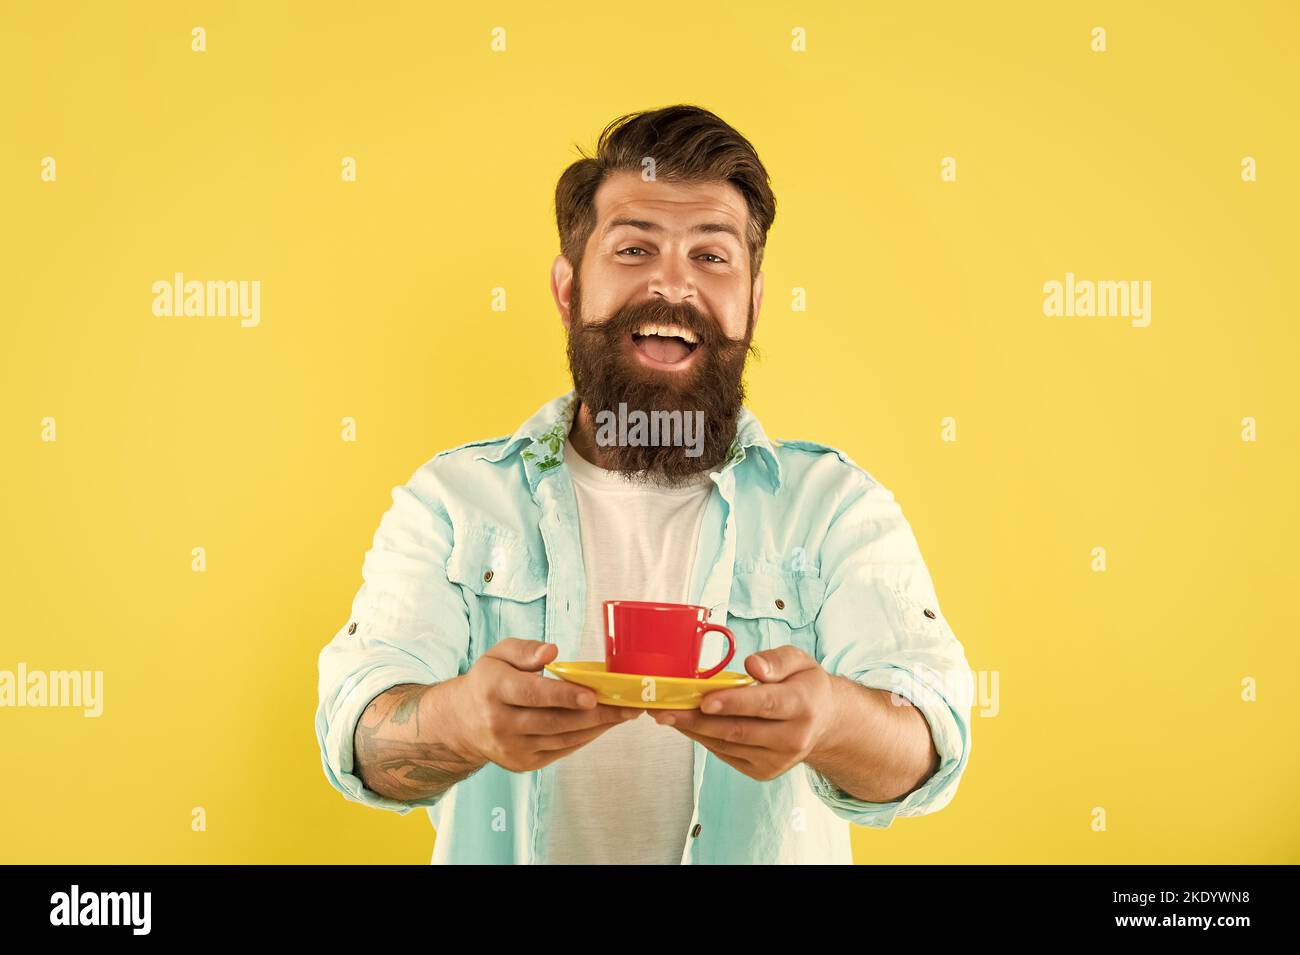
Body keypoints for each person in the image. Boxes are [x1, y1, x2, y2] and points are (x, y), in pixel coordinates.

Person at [315, 104, 974, 864]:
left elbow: (929, 740)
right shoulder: (454, 502)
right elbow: (358, 732)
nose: (673, 283)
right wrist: (458, 720)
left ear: (753, 305)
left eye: (712, 257)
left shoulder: (834, 511)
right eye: (634, 248)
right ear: (568, 291)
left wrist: (830, 722)